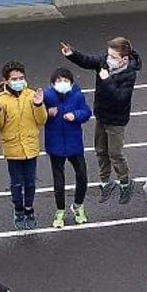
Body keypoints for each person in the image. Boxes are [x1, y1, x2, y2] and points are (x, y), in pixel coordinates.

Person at [62, 37, 142, 205]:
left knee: (115, 153)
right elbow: (88, 61)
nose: (108, 59)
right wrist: (72, 54)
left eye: (113, 56)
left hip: (117, 119)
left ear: (124, 59)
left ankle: (125, 183)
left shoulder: (129, 74)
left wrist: (106, 80)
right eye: (108, 55)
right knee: (100, 149)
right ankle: (105, 182)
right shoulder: (104, 63)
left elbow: (120, 98)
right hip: (101, 114)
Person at [0, 61, 48, 230]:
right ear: (6, 81)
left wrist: (38, 105)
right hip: (12, 148)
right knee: (16, 183)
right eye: (14, 78)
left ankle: (29, 210)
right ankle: (18, 211)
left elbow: (42, 120)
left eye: (21, 78)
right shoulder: (0, 100)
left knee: (30, 182)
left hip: (31, 147)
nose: (18, 81)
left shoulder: (31, 95)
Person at [42, 68, 92, 228]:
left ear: (71, 83)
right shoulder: (47, 96)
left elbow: (86, 112)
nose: (62, 83)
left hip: (74, 145)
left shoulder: (77, 95)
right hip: (55, 145)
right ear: (52, 83)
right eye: (59, 81)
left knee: (82, 176)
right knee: (59, 181)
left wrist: (75, 115)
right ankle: (60, 210)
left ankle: (78, 206)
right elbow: (36, 114)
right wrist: (47, 113)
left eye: (66, 80)